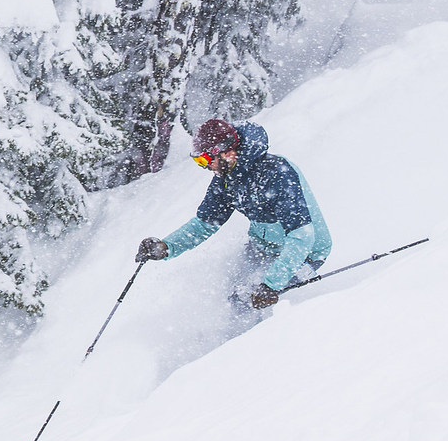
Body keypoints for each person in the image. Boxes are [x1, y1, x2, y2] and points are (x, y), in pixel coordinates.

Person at [135, 118, 333, 316]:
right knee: (231, 294)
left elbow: (302, 236)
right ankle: (222, 341)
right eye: (198, 161)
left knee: (252, 301)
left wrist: (272, 284)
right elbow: (204, 225)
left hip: (306, 253)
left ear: (227, 152)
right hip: (262, 247)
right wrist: (167, 247)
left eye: (204, 159)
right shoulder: (227, 180)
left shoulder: (276, 173)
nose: (204, 166)